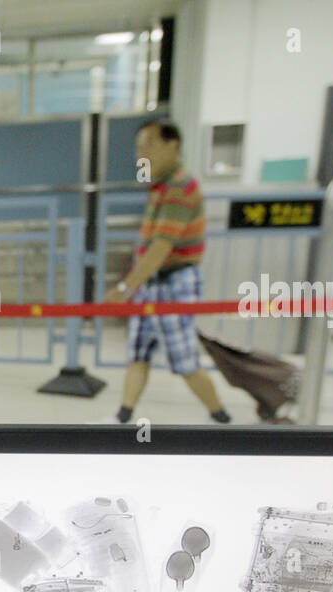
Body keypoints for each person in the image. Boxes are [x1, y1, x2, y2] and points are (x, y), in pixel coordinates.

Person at [102, 119, 230, 424]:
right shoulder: (160, 187)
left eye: (148, 145)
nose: (141, 154)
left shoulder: (180, 187)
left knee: (184, 360)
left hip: (175, 282)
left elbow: (161, 247)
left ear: (173, 145)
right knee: (138, 352)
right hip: (152, 282)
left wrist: (124, 289)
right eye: (138, 148)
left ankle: (222, 418)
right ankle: (123, 416)